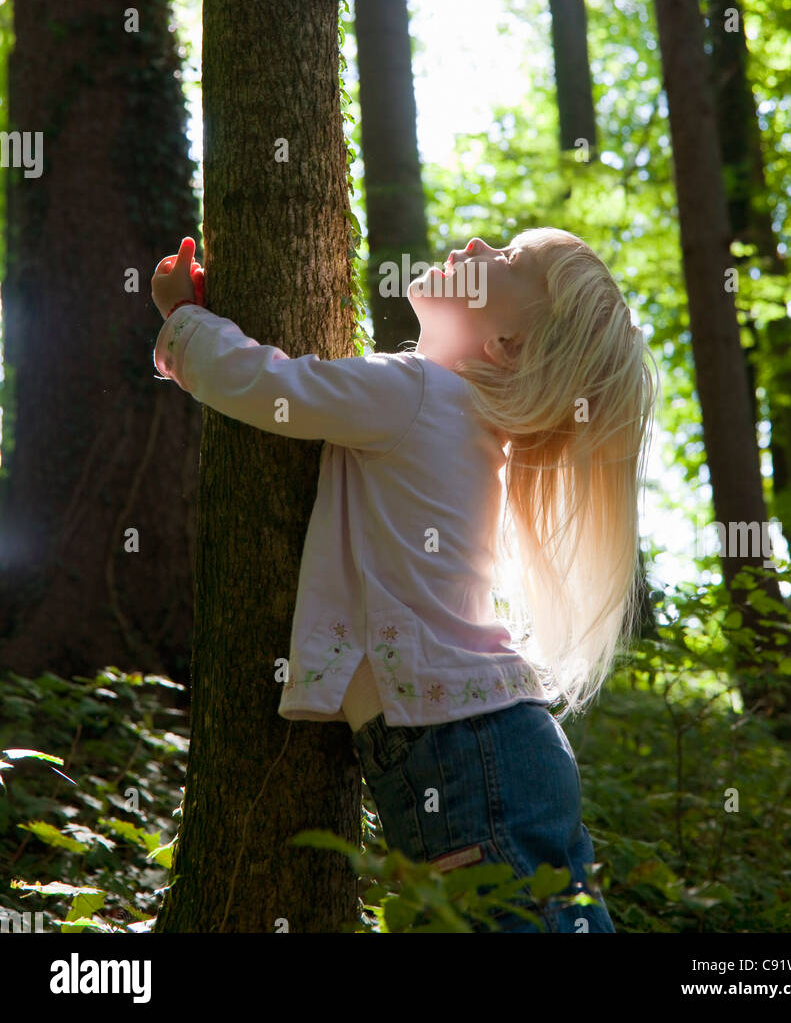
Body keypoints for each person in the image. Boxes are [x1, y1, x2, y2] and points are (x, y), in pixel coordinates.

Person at [151, 228, 658, 933]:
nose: (478, 241)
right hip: (496, 743)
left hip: (464, 742)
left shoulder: (416, 392)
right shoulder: (460, 418)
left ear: (507, 345)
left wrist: (183, 320)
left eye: (508, 260)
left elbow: (269, 385)